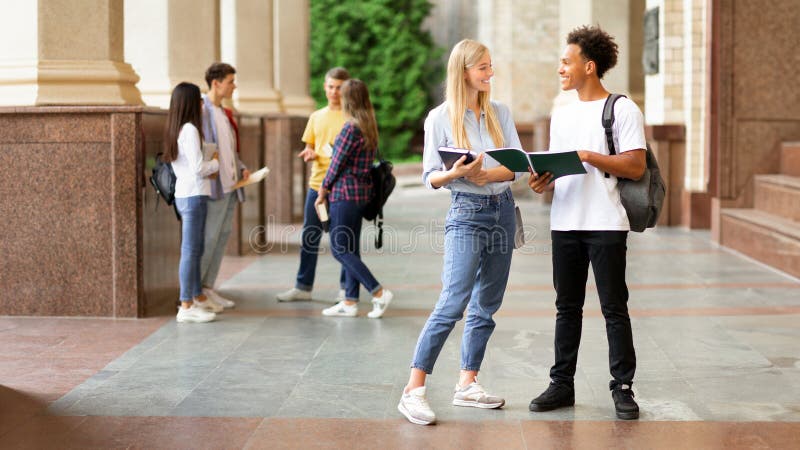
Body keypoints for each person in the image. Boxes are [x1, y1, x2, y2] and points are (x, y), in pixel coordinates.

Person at [397, 39, 522, 426]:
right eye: (483, 67)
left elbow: (517, 165)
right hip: (466, 213)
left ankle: (468, 383)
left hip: (502, 211)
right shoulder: (440, 118)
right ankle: (413, 389)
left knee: (487, 304)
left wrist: (488, 174)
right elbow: (431, 177)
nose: (490, 73)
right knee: (453, 302)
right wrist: (457, 173)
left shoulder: (499, 113)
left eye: (490, 65)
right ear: (464, 71)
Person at [527, 25, 646, 420]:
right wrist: (541, 180)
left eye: (566, 61)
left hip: (606, 222)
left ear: (589, 66)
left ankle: (623, 387)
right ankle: (562, 384)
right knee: (567, 307)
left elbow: (635, 164)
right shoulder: (562, 113)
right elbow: (559, 168)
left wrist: (591, 156)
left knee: (614, 307)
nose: (560, 68)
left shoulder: (622, 108)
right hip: (565, 221)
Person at [314, 79, 393, 319]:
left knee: (339, 248)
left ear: (348, 100)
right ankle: (349, 301)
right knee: (351, 248)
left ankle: (378, 292)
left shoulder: (350, 128)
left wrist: (323, 189)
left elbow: (336, 163)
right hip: (361, 195)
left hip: (344, 195)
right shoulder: (368, 125)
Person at [277, 67, 350, 303]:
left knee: (343, 238)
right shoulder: (316, 117)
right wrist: (309, 152)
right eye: (330, 86)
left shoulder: (352, 118)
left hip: (342, 188)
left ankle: (345, 288)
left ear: (346, 89)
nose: (334, 92)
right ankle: (303, 286)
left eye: (339, 87)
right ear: (324, 87)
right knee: (310, 235)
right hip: (316, 185)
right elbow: (310, 146)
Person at [163, 82, 220, 323]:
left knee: (195, 249)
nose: (202, 104)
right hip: (194, 194)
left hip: (186, 194)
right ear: (191, 103)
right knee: (190, 250)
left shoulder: (177, 128)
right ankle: (186, 304)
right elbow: (198, 168)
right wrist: (216, 161)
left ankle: (195, 296)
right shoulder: (190, 130)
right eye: (199, 100)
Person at [199, 62, 250, 310]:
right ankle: (196, 292)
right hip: (213, 189)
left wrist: (241, 167)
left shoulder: (224, 113)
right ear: (216, 83)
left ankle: (208, 288)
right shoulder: (202, 111)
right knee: (208, 239)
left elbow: (229, 150)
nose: (234, 86)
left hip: (231, 186)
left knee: (220, 239)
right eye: (230, 81)